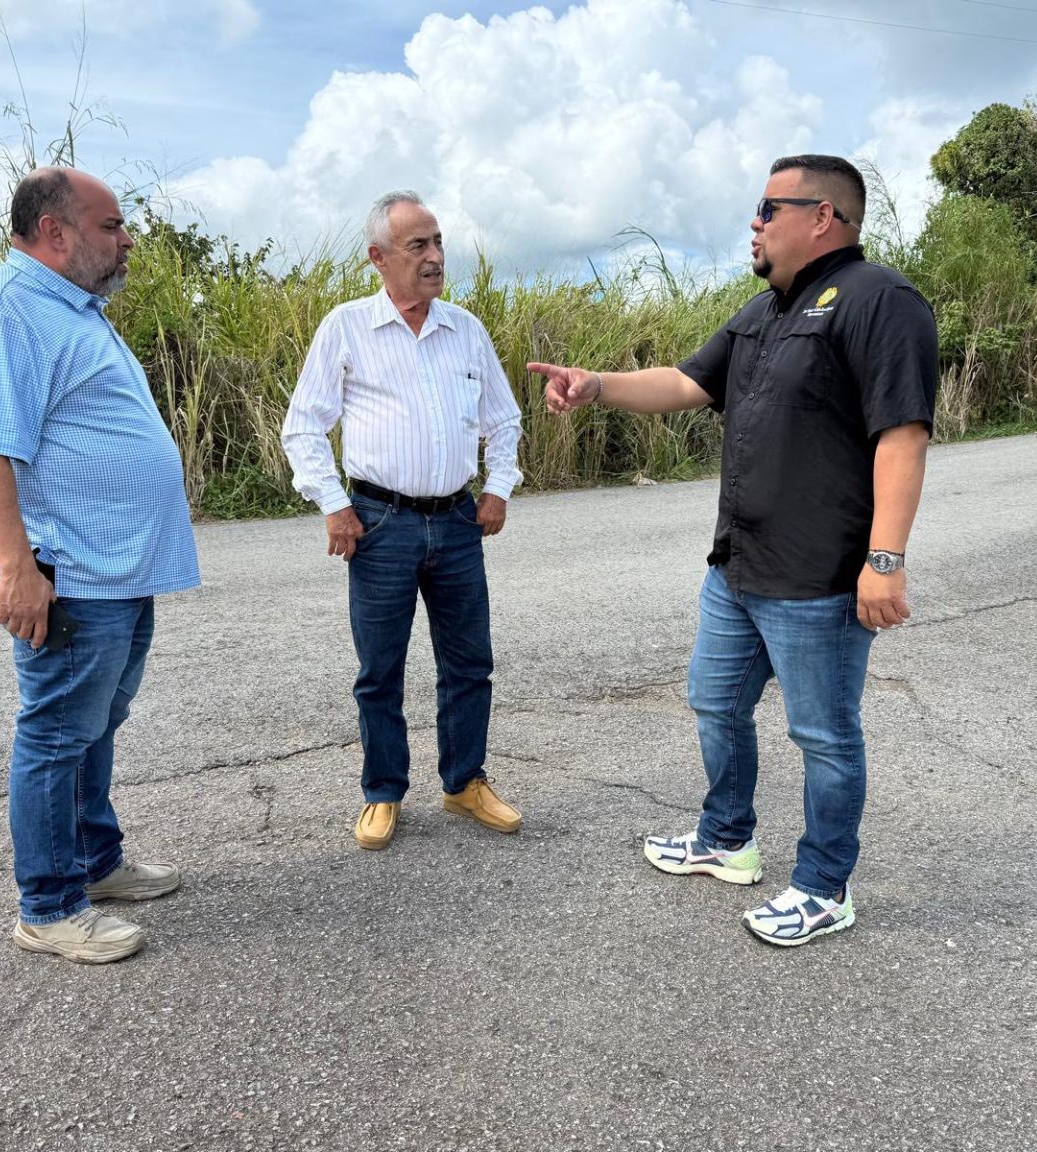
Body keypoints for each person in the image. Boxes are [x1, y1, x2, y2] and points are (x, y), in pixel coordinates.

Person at [529, 155, 936, 947]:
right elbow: (685, 383)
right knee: (715, 703)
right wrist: (596, 383)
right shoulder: (763, 312)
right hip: (739, 569)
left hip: (818, 579)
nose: (755, 222)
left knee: (824, 737)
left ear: (822, 216)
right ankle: (726, 840)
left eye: (768, 207)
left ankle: (823, 888)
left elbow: (903, 436)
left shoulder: (878, 300)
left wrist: (884, 561)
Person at [0, 167, 200, 964]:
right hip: (69, 571)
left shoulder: (71, 310)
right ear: (54, 232)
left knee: (94, 723)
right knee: (57, 731)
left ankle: (95, 860)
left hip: (115, 569)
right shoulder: (3, 310)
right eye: (112, 225)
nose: (127, 240)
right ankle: (49, 906)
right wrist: (16, 569)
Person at [282, 191, 524, 851]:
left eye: (438, 241)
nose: (435, 256)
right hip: (379, 522)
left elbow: (503, 419)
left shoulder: (465, 329)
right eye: (418, 245)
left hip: (456, 521)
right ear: (379, 257)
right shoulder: (347, 327)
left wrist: (497, 488)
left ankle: (464, 782)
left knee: (469, 661)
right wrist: (333, 504)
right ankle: (383, 791)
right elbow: (304, 427)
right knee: (380, 669)